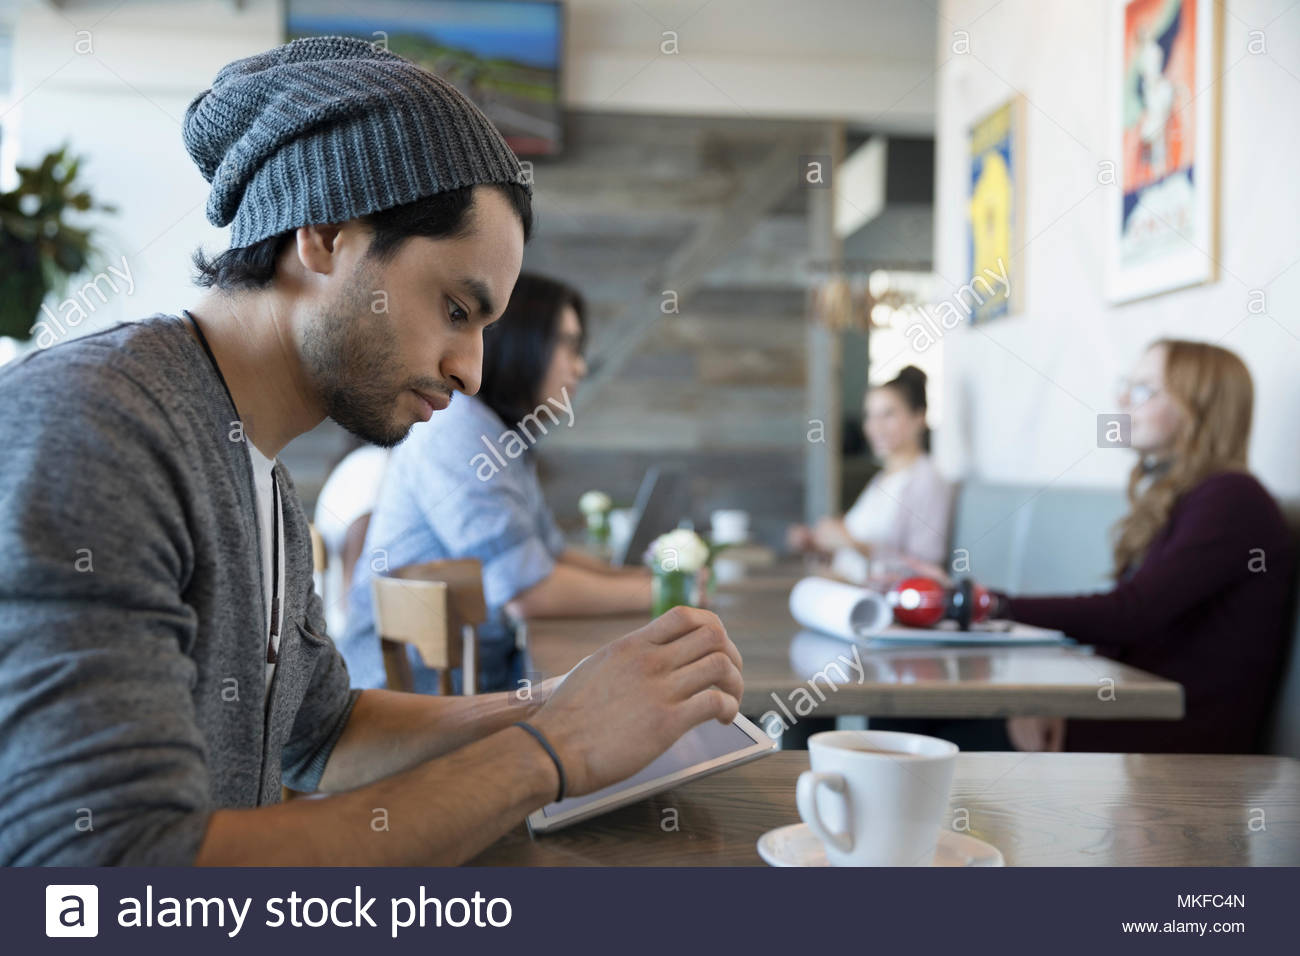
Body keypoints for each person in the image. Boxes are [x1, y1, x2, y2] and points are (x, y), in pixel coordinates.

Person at [0, 38, 743, 866]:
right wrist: (549, 752)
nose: (471, 371)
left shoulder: (260, 478)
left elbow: (325, 734)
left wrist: (553, 703)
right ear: (323, 233)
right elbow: (110, 874)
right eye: (457, 309)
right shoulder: (95, 426)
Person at [340, 272, 652, 693]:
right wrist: (663, 590)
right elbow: (529, 593)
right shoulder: (459, 430)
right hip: (414, 693)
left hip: (470, 677)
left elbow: (551, 556)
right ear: (524, 341)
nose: (580, 366)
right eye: (570, 346)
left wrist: (653, 580)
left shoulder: (502, 437)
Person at [998, 339, 1294, 754]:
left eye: (1144, 390)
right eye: (1126, 385)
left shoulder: (1233, 498)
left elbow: (1131, 614)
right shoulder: (1186, 495)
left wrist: (994, 606)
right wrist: (1055, 699)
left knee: (933, 729)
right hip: (1135, 722)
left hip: (1180, 745)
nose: (1122, 400)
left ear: (1199, 407)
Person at [788, 365, 952, 583]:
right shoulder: (881, 480)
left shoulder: (927, 481)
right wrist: (816, 543)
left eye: (888, 414)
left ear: (919, 417)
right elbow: (853, 553)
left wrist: (852, 544)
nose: (875, 427)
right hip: (836, 586)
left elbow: (926, 572)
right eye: (870, 415)